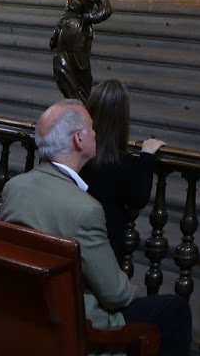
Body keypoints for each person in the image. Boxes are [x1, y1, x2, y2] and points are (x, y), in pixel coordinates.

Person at [0, 101, 191, 354]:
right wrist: (132, 291)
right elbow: (115, 294)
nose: (95, 134)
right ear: (79, 139)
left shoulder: (15, 187)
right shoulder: (85, 209)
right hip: (76, 328)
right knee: (175, 310)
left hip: (24, 314)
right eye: (91, 128)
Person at [83, 79, 165, 265]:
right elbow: (139, 198)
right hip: (107, 242)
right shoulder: (123, 163)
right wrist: (147, 155)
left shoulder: (80, 154)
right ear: (121, 119)